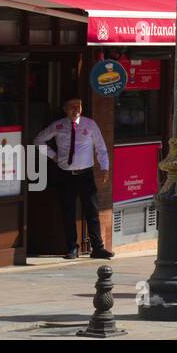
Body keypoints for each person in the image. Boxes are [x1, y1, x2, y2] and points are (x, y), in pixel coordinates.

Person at [35, 97, 113, 260]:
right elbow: (38, 140)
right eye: (72, 106)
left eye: (78, 106)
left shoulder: (90, 124)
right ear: (65, 109)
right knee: (68, 212)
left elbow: (100, 147)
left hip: (86, 174)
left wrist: (104, 167)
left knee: (91, 211)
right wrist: (53, 156)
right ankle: (72, 248)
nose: (75, 109)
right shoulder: (58, 125)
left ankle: (97, 248)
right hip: (66, 175)